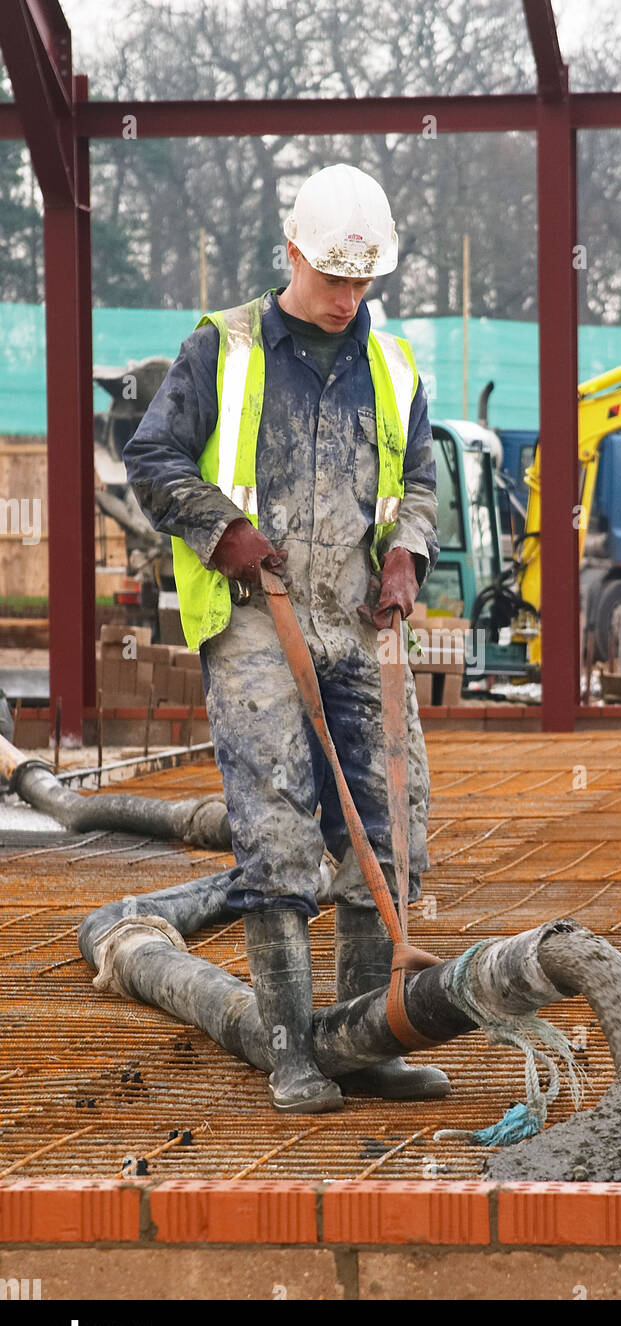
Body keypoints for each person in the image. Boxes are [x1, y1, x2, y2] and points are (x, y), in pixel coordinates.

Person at [124, 164, 449, 1113]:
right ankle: (292, 1056)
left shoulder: (392, 367)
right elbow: (153, 454)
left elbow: (418, 484)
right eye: (334, 280)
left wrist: (407, 557)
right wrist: (224, 533)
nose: (349, 300)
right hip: (258, 617)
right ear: (294, 255)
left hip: (357, 619)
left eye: (364, 284)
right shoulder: (218, 348)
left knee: (388, 823)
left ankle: (360, 1043)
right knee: (276, 823)